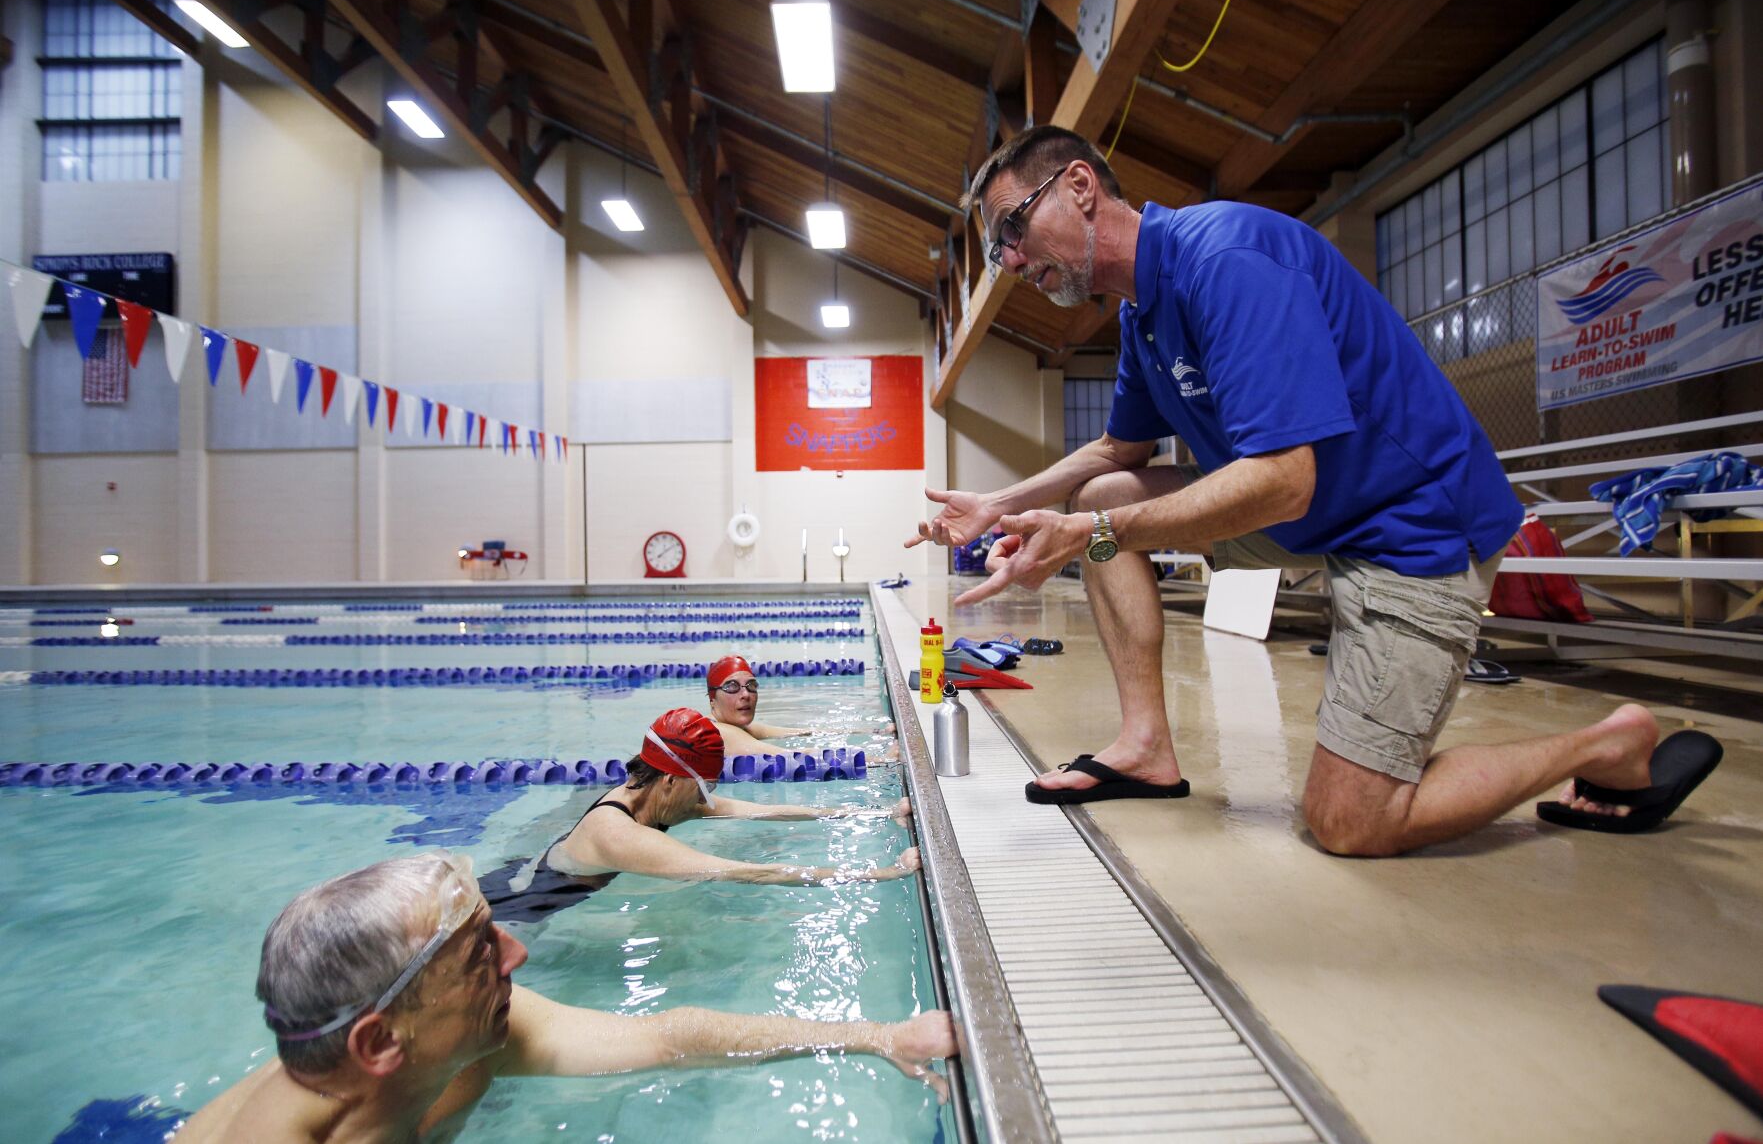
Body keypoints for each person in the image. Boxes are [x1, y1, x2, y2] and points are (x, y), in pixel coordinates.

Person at [908, 123, 1682, 858]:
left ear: (1078, 185)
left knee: (1351, 819)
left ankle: (1606, 743)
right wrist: (1000, 504)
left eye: (1011, 228)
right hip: (1319, 515)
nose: (1008, 261)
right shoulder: (1143, 315)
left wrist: (1094, 532)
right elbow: (1119, 447)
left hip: (1410, 528)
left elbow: (1281, 482)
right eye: (995, 249)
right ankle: (1144, 748)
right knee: (1103, 492)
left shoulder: (1224, 258)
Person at [174, 852, 956, 1142]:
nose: (515, 953)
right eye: (480, 952)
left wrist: (877, 1034)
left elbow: (665, 1036)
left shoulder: (458, 1046)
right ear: (379, 1042)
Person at [476, 708, 916, 923]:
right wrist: (882, 874)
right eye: (706, 784)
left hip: (531, 886)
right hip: (517, 908)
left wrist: (874, 812)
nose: (713, 794)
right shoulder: (620, 834)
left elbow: (764, 812)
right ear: (670, 781)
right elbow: (748, 873)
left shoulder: (655, 797)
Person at [705, 654, 897, 763]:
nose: (745, 694)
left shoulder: (735, 726)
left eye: (751, 685)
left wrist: (876, 731)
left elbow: (800, 733)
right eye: (732, 687)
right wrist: (880, 760)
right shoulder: (721, 733)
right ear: (712, 699)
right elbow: (793, 757)